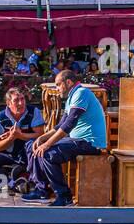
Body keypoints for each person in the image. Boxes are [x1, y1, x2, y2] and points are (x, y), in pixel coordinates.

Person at [23, 70, 108, 206]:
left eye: (58, 85)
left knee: (47, 154)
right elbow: (61, 125)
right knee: (32, 144)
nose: (57, 89)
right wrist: (42, 138)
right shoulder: (72, 97)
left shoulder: (81, 93)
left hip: (90, 143)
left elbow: (69, 125)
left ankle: (64, 196)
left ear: (68, 82)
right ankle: (41, 190)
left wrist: (47, 144)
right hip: (78, 141)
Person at [0, 87, 47, 190]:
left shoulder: (33, 112)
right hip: (7, 155)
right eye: (16, 100)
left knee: (32, 144)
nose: (21, 103)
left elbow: (40, 135)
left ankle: (21, 179)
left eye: (22, 99)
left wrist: (20, 135)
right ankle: (12, 184)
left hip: (27, 155)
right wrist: (11, 137)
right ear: (8, 104)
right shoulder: (1, 118)